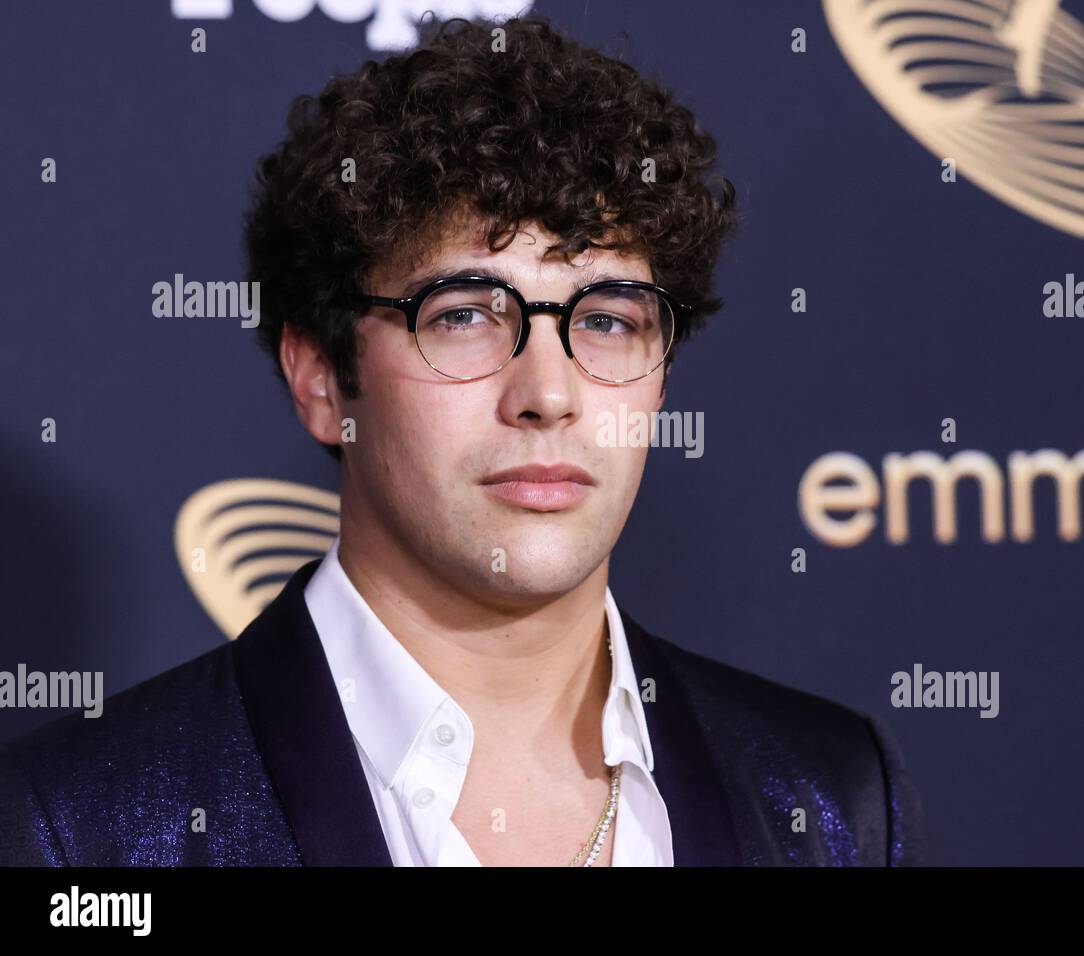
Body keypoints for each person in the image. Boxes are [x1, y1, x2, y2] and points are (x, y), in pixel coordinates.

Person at [0, 16, 925, 867]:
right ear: (320, 377)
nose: (549, 394)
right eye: (465, 316)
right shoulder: (78, 830)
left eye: (606, 320)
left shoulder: (834, 798)